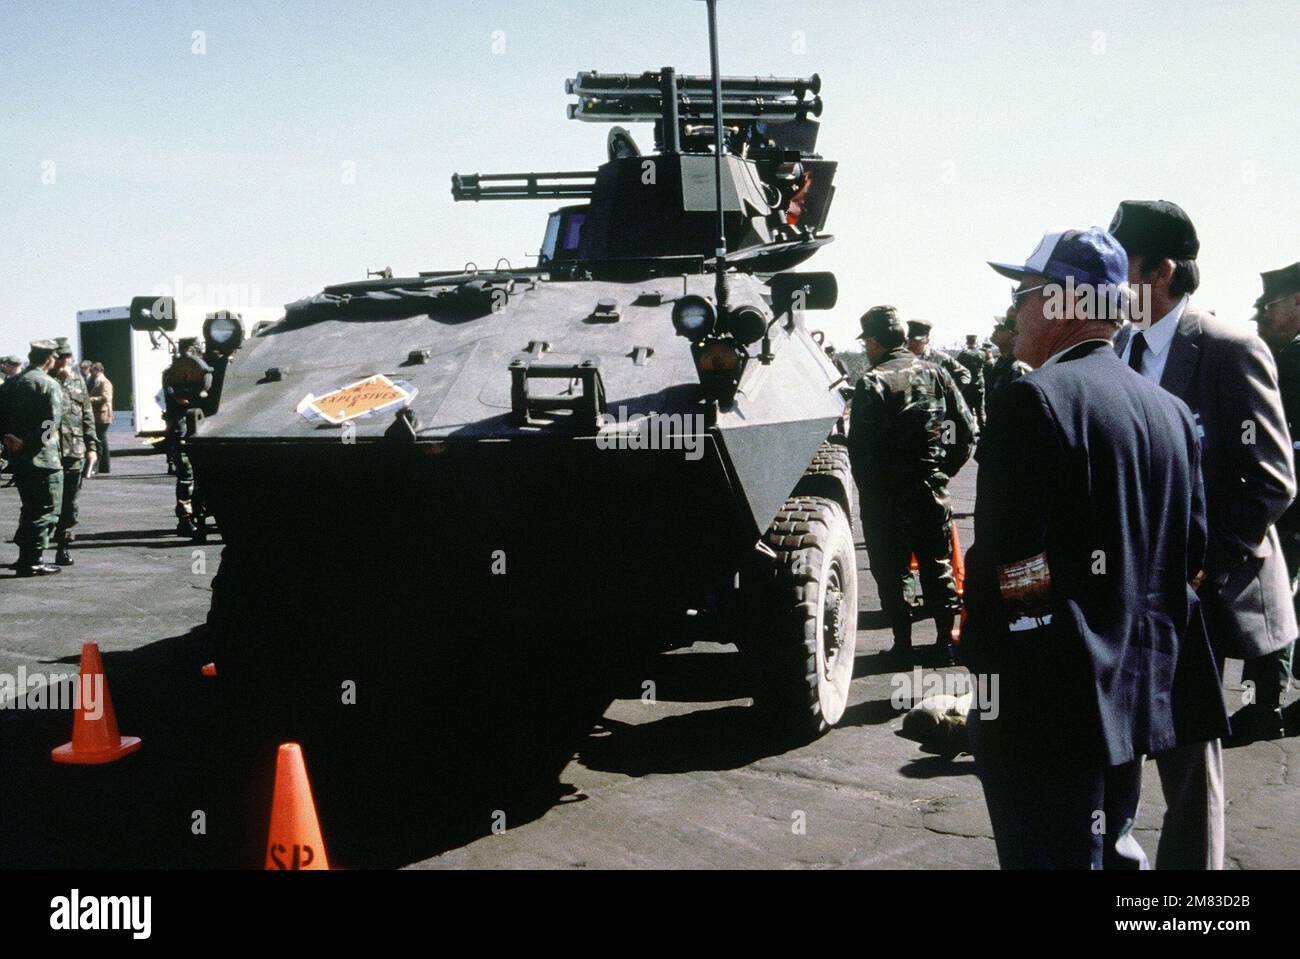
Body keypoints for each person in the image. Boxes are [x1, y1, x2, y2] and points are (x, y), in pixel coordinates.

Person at [965, 226, 1227, 869]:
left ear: (1065, 303)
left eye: (1025, 292)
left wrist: (1006, 655)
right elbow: (1189, 552)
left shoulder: (1033, 399)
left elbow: (1010, 561)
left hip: (1048, 702)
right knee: (1112, 849)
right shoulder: (1166, 409)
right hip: (1131, 697)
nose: (1012, 311)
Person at [1110, 200, 1295, 867]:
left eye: (1121, 263)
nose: (1107, 278)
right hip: (1132, 591)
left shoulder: (1225, 349)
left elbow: (1272, 480)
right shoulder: (1120, 349)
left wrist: (1200, 564)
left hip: (1199, 595)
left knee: (1190, 768)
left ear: (1161, 270)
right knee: (1121, 745)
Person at [849, 306, 976, 665]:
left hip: (886, 495)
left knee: (893, 570)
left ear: (874, 341)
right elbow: (966, 431)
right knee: (938, 564)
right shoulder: (937, 372)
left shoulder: (873, 381)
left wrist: (872, 494)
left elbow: (861, 451)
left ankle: (902, 646)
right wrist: (941, 473)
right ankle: (943, 644)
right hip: (930, 488)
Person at [1251, 259, 1300, 704]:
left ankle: (1263, 702)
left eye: (1272, 303)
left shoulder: (1292, 358)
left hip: (1289, 503)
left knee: (1272, 595)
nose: (1264, 313)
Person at [0, 340, 66, 576]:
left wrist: (9, 440)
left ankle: (25, 556)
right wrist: (30, 443)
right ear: (49, 359)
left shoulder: (11, 383)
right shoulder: (49, 384)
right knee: (46, 509)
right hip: (43, 459)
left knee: (29, 508)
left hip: (18, 459)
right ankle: (33, 559)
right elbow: (51, 424)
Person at [51, 338, 99, 566]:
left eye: (68, 357)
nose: (65, 361)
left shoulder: (78, 381)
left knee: (70, 504)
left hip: (74, 451)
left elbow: (87, 416)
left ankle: (63, 546)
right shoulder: (46, 381)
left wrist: (92, 447)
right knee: (46, 503)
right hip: (49, 452)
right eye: (61, 357)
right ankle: (35, 547)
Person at [163, 338, 213, 540]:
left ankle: (197, 515)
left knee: (198, 477)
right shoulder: (173, 374)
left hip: (197, 429)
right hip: (182, 429)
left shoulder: (198, 371)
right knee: (186, 477)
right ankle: (185, 519)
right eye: (196, 351)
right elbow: (179, 398)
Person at [906, 320, 973, 395]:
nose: (913, 343)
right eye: (910, 340)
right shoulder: (901, 357)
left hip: (934, 404)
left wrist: (952, 392)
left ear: (927, 340)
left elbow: (965, 373)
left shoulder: (940, 358)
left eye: (918, 340)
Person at [983, 309, 1031, 405]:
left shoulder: (1018, 368)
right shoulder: (1000, 363)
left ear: (1015, 337)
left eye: (1001, 328)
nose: (995, 330)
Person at [87, 362, 114, 475]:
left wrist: (90, 399)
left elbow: (106, 397)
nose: (90, 372)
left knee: (99, 441)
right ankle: (104, 467)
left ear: (98, 370)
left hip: (103, 415)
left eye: (92, 370)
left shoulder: (104, 382)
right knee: (102, 440)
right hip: (99, 414)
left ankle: (98, 467)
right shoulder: (98, 382)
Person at [956, 334, 988, 427]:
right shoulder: (982, 353)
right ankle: (983, 431)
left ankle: (970, 434)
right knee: (980, 410)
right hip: (980, 384)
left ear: (967, 341)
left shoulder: (964, 354)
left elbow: (957, 366)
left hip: (968, 385)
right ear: (976, 341)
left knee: (968, 410)